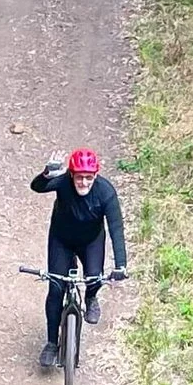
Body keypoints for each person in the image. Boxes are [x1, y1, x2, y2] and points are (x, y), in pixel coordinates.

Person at [29, 147, 128, 369]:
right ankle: (52, 343)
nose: (84, 182)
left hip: (91, 241)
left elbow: (116, 228)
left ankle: (91, 298)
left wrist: (121, 265)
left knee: (94, 277)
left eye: (89, 178)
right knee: (55, 289)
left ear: (95, 176)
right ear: (71, 174)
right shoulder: (63, 182)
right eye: (79, 177)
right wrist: (47, 173)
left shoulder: (105, 192)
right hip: (61, 240)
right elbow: (37, 187)